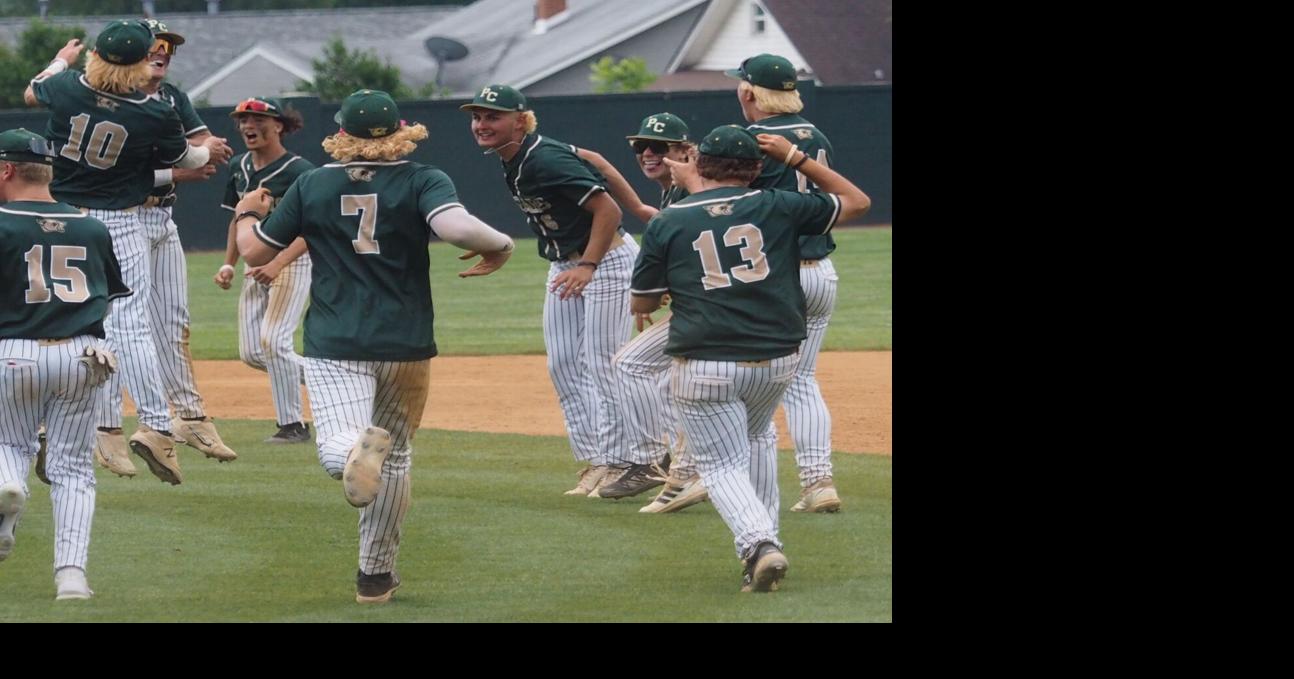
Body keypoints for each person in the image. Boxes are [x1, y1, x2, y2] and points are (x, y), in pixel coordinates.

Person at [232, 89, 514, 604]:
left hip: (336, 340)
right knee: (397, 456)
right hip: (406, 342)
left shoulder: (314, 183)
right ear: (400, 131)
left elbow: (254, 250)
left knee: (343, 449)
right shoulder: (424, 178)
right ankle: (375, 575)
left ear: (342, 134)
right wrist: (502, 244)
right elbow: (454, 228)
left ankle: (351, 456)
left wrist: (246, 213)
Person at [629, 125, 870, 592]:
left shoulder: (669, 220)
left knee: (719, 465)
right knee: (758, 437)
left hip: (705, 362)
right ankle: (767, 542)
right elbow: (856, 200)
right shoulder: (777, 204)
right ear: (758, 169)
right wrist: (797, 158)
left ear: (698, 165)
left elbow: (643, 302)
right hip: (777, 358)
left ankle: (759, 544)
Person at [24, 20, 233, 486]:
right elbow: (190, 160)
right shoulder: (152, 112)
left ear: (97, 56)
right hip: (117, 220)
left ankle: (46, 423)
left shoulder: (69, 88)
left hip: (63, 217)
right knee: (131, 324)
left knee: (60, 320)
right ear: (142, 62)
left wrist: (63, 58)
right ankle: (157, 424)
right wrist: (209, 151)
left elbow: (34, 90)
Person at [462, 84, 638, 497]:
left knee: (601, 362)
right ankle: (597, 459)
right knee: (563, 364)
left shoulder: (542, 157)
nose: (481, 124)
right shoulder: (519, 155)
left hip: (605, 262)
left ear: (520, 121)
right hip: (565, 264)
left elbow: (606, 209)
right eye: (477, 117)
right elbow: (595, 159)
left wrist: (590, 265)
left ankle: (623, 461)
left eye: (493, 116)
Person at [89, 18, 237, 475]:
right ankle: (106, 428)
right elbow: (109, 173)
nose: (163, 52)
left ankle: (189, 416)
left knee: (173, 322)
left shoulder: (171, 97)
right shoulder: (108, 99)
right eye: (154, 46)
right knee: (117, 323)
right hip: (119, 215)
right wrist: (179, 169)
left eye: (169, 47)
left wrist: (202, 151)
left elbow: (201, 146)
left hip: (160, 216)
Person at [0, 127, 128, 600]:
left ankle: (9, 488)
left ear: (6, 170)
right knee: (72, 469)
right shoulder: (91, 226)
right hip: (83, 356)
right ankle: (71, 578)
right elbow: (107, 300)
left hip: (13, 353)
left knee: (8, 443)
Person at [575, 113, 706, 509]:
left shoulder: (691, 191)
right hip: (701, 305)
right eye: (640, 147)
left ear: (685, 150)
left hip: (709, 309)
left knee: (631, 365)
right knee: (670, 384)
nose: (647, 153)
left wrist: (652, 293)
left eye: (658, 146)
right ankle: (686, 469)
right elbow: (651, 217)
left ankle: (655, 461)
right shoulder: (674, 190)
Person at [731, 53, 842, 513]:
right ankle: (819, 481)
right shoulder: (815, 134)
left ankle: (712, 472)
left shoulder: (750, 139)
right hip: (821, 272)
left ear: (749, 93)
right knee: (803, 381)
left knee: (738, 383)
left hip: (775, 277)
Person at [215, 96, 315, 445]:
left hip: (291, 260)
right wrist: (229, 262)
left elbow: (313, 228)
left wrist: (277, 263)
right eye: (242, 120)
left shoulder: (302, 171)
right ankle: (338, 378)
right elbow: (237, 217)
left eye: (258, 119)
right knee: (253, 353)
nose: (247, 126)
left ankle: (293, 425)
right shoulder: (239, 166)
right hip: (254, 265)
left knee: (274, 342)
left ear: (279, 126)